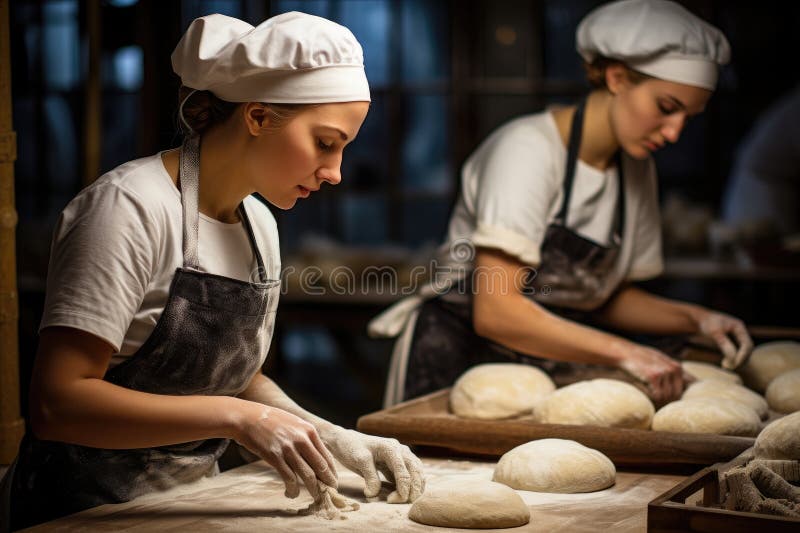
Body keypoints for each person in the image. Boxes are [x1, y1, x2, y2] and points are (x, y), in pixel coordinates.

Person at [2, 12, 423, 531]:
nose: (335, 171)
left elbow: (234, 379)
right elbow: (58, 401)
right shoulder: (128, 210)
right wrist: (240, 420)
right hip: (81, 512)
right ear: (258, 116)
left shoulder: (260, 224)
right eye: (325, 142)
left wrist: (331, 436)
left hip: (190, 506)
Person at [370, 0, 753, 407]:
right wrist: (628, 352)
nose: (674, 132)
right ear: (618, 77)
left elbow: (600, 296)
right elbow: (497, 311)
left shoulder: (635, 168)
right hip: (456, 362)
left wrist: (697, 319)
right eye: (666, 108)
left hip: (539, 364)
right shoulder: (527, 152)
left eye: (687, 118)